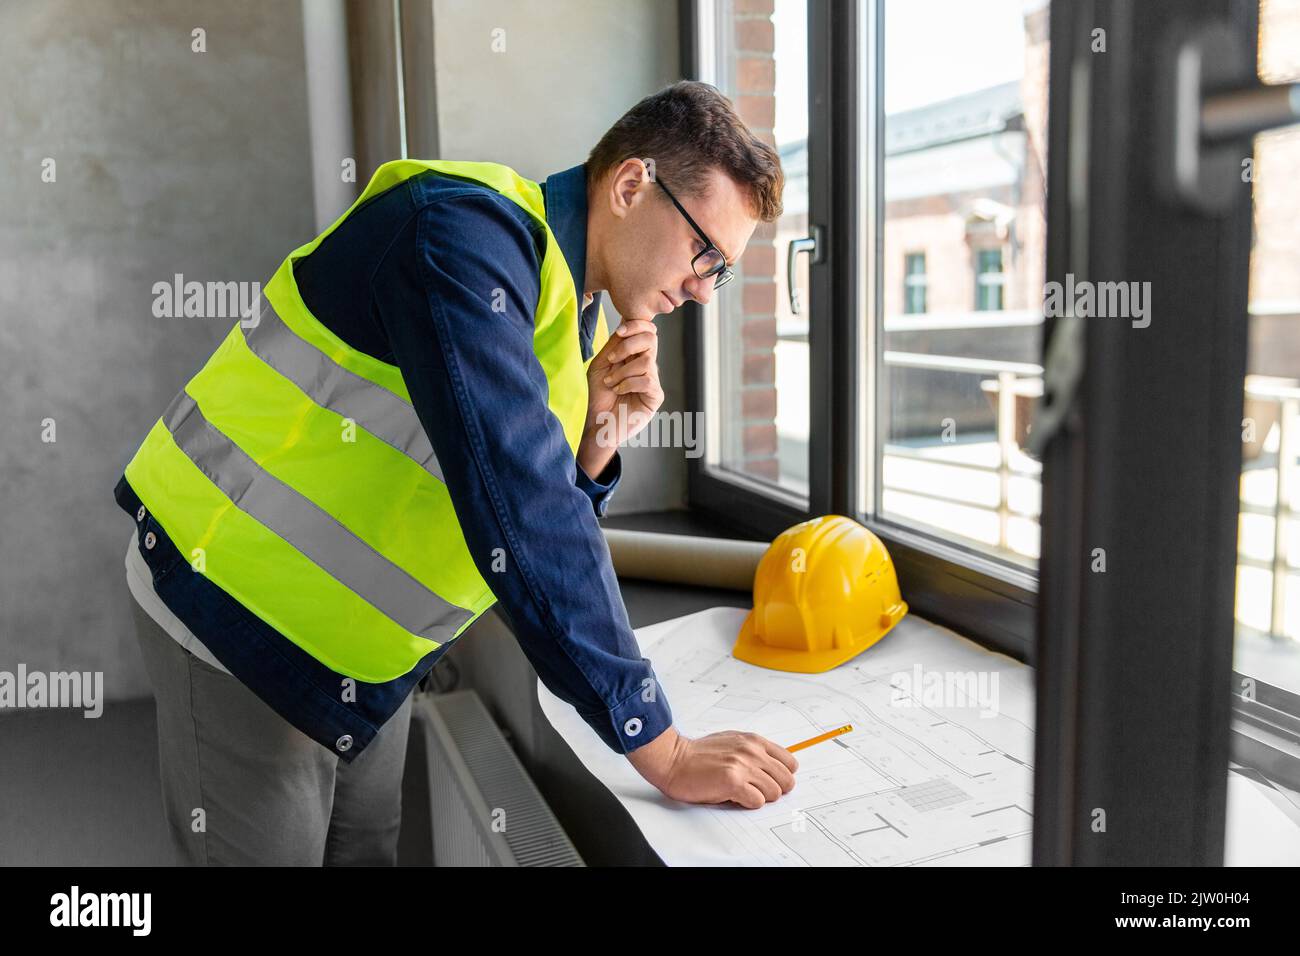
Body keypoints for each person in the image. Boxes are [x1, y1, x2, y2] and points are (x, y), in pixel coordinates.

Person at [116, 80, 797, 866]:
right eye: (704, 252)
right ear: (632, 184)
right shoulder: (458, 236)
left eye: (723, 272)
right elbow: (523, 510)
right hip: (234, 604)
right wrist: (660, 745)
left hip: (364, 651)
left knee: (367, 848)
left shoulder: (573, 312)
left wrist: (596, 444)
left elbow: (531, 499)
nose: (703, 290)